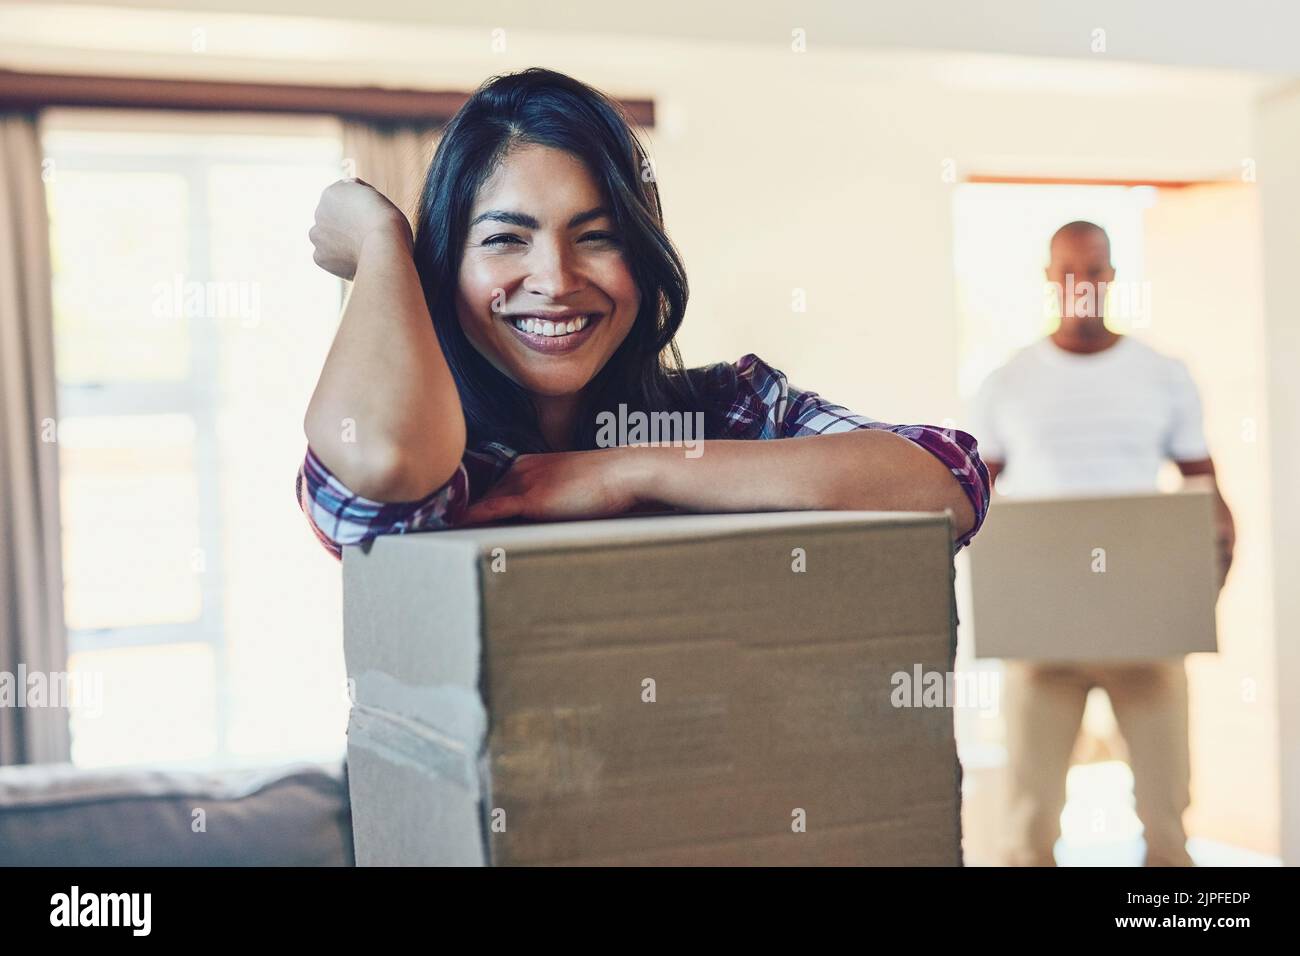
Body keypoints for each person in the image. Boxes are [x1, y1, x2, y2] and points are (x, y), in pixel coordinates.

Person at [296, 67, 990, 562]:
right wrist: (383, 242)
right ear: (445, 267)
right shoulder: (442, 460)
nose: (556, 280)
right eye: (507, 239)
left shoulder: (732, 410)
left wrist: (618, 472)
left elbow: (949, 481)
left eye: (597, 237)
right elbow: (381, 460)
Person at [968, 220, 1235, 867]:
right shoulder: (1006, 382)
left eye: (1093, 272)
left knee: (1168, 828)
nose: (1081, 285)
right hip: (1041, 636)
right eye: (1067, 272)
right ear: (1048, 279)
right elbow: (974, 504)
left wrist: (1198, 593)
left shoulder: (1162, 374)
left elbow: (1212, 505)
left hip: (1146, 632)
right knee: (1028, 831)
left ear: (1111, 277)